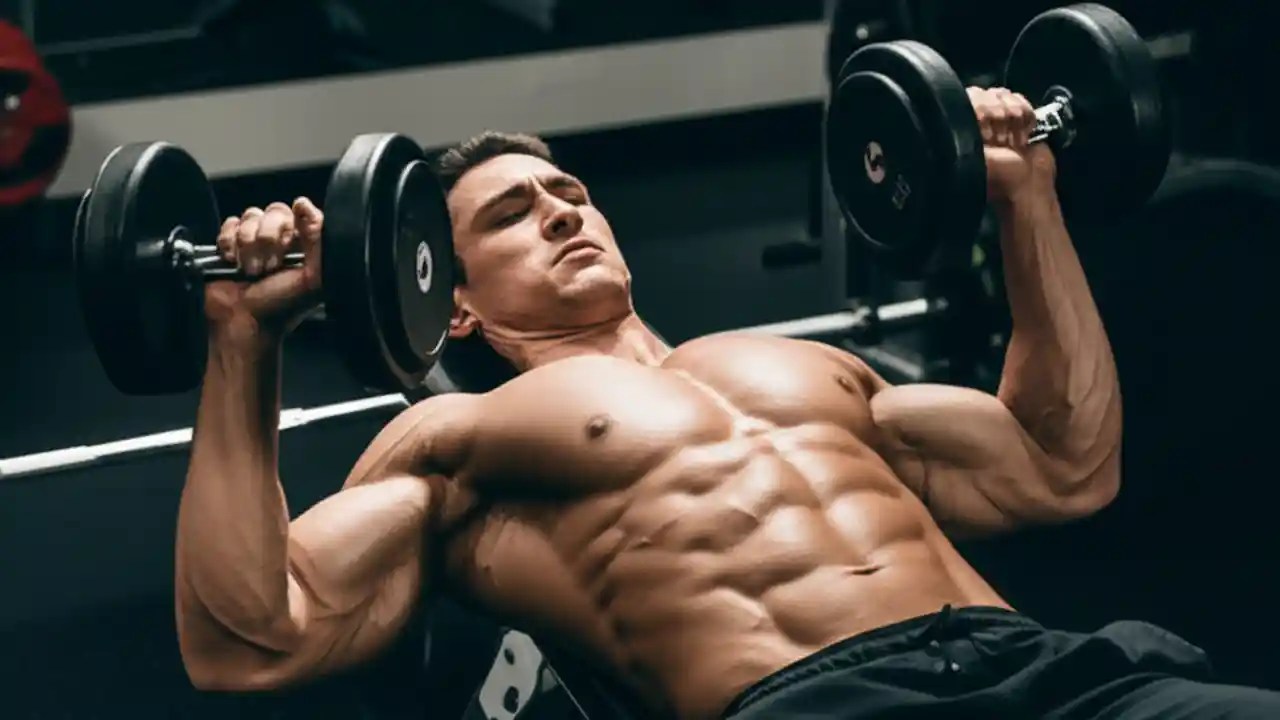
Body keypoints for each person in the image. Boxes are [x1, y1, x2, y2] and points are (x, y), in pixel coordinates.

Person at [173, 87, 1280, 720]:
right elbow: (251, 636)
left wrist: (1024, 197)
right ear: (448, 301)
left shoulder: (796, 367)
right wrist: (243, 341)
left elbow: (1063, 463)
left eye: (570, 193)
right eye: (513, 214)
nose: (562, 214)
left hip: (1042, 671)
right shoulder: (452, 439)